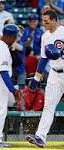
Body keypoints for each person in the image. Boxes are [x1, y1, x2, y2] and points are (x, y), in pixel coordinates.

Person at [26, 10, 64, 147]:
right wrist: (36, 78)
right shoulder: (45, 36)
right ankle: (40, 137)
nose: (44, 24)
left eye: (47, 21)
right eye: (43, 21)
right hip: (54, 73)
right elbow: (43, 59)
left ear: (54, 20)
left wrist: (61, 53)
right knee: (48, 107)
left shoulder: (63, 31)